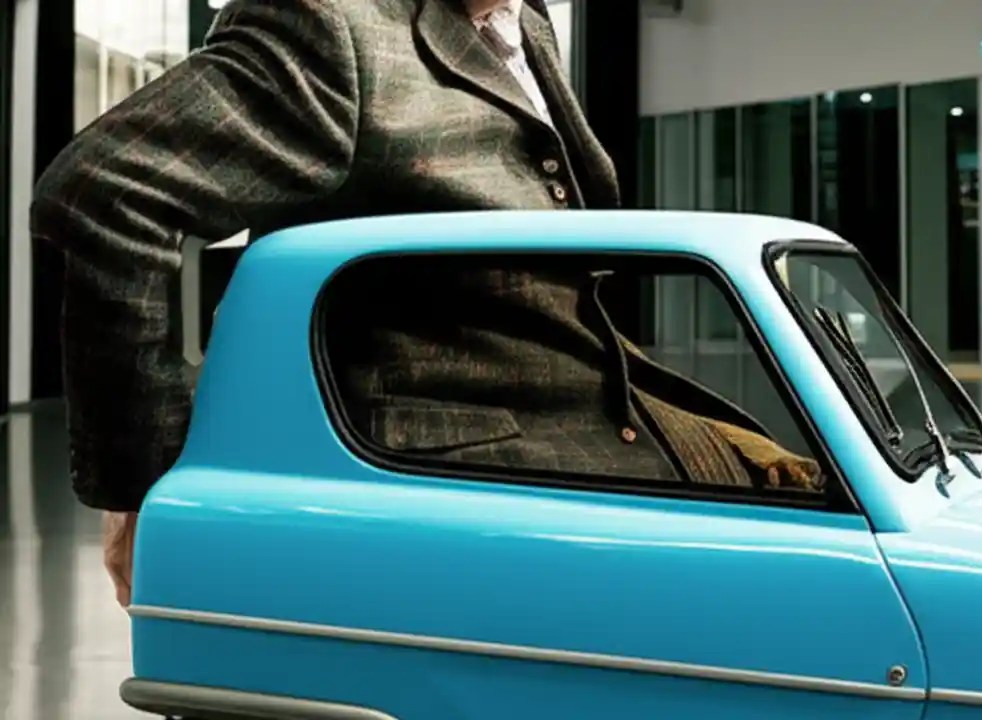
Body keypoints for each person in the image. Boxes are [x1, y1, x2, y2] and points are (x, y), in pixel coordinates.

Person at [29, 0, 820, 611]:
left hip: (583, 405)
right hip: (444, 464)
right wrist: (146, 486)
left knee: (820, 508)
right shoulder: (330, 23)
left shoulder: (524, 23)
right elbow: (106, 194)